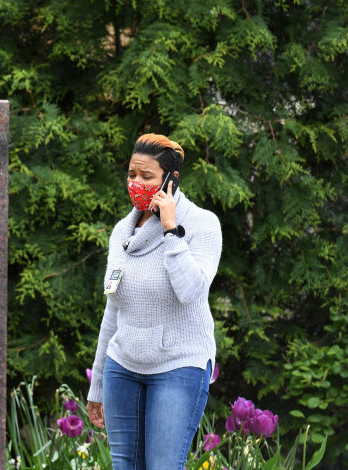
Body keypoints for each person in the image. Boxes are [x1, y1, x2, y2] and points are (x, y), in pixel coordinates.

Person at [86, 133, 222, 470]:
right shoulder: (122, 232)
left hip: (179, 366)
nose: (136, 183)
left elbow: (191, 291)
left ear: (171, 180)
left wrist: (171, 230)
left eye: (147, 177)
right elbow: (113, 309)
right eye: (132, 174)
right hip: (123, 366)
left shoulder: (203, 225)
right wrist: (97, 385)